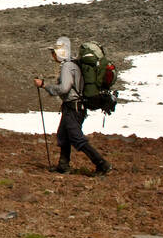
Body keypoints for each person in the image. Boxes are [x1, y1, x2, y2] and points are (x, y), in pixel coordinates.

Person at [34, 36, 112, 175]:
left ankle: (102, 164)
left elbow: (64, 88)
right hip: (75, 107)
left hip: (73, 108)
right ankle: (63, 165)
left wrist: (45, 85)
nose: (52, 55)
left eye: (53, 52)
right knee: (63, 135)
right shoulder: (74, 64)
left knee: (77, 138)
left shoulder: (67, 66)